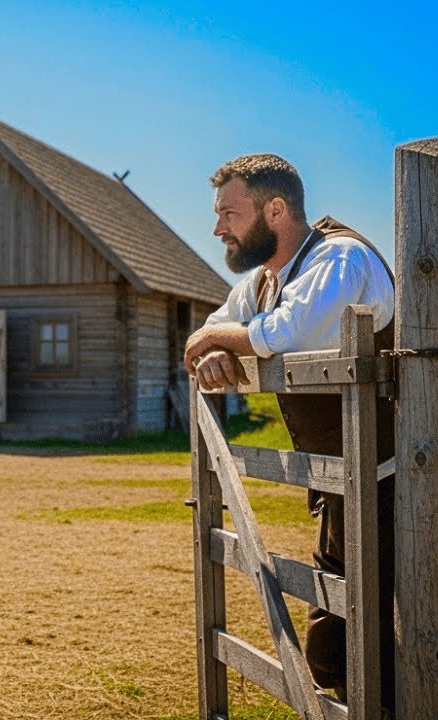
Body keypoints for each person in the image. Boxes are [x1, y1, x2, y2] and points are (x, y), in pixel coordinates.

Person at [183, 153, 395, 709]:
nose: (217, 228)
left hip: (399, 477)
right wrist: (208, 350)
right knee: (338, 624)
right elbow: (207, 331)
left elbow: (289, 332)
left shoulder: (339, 258)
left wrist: (222, 342)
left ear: (275, 210)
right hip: (342, 478)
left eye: (229, 212)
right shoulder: (262, 283)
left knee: (395, 617)